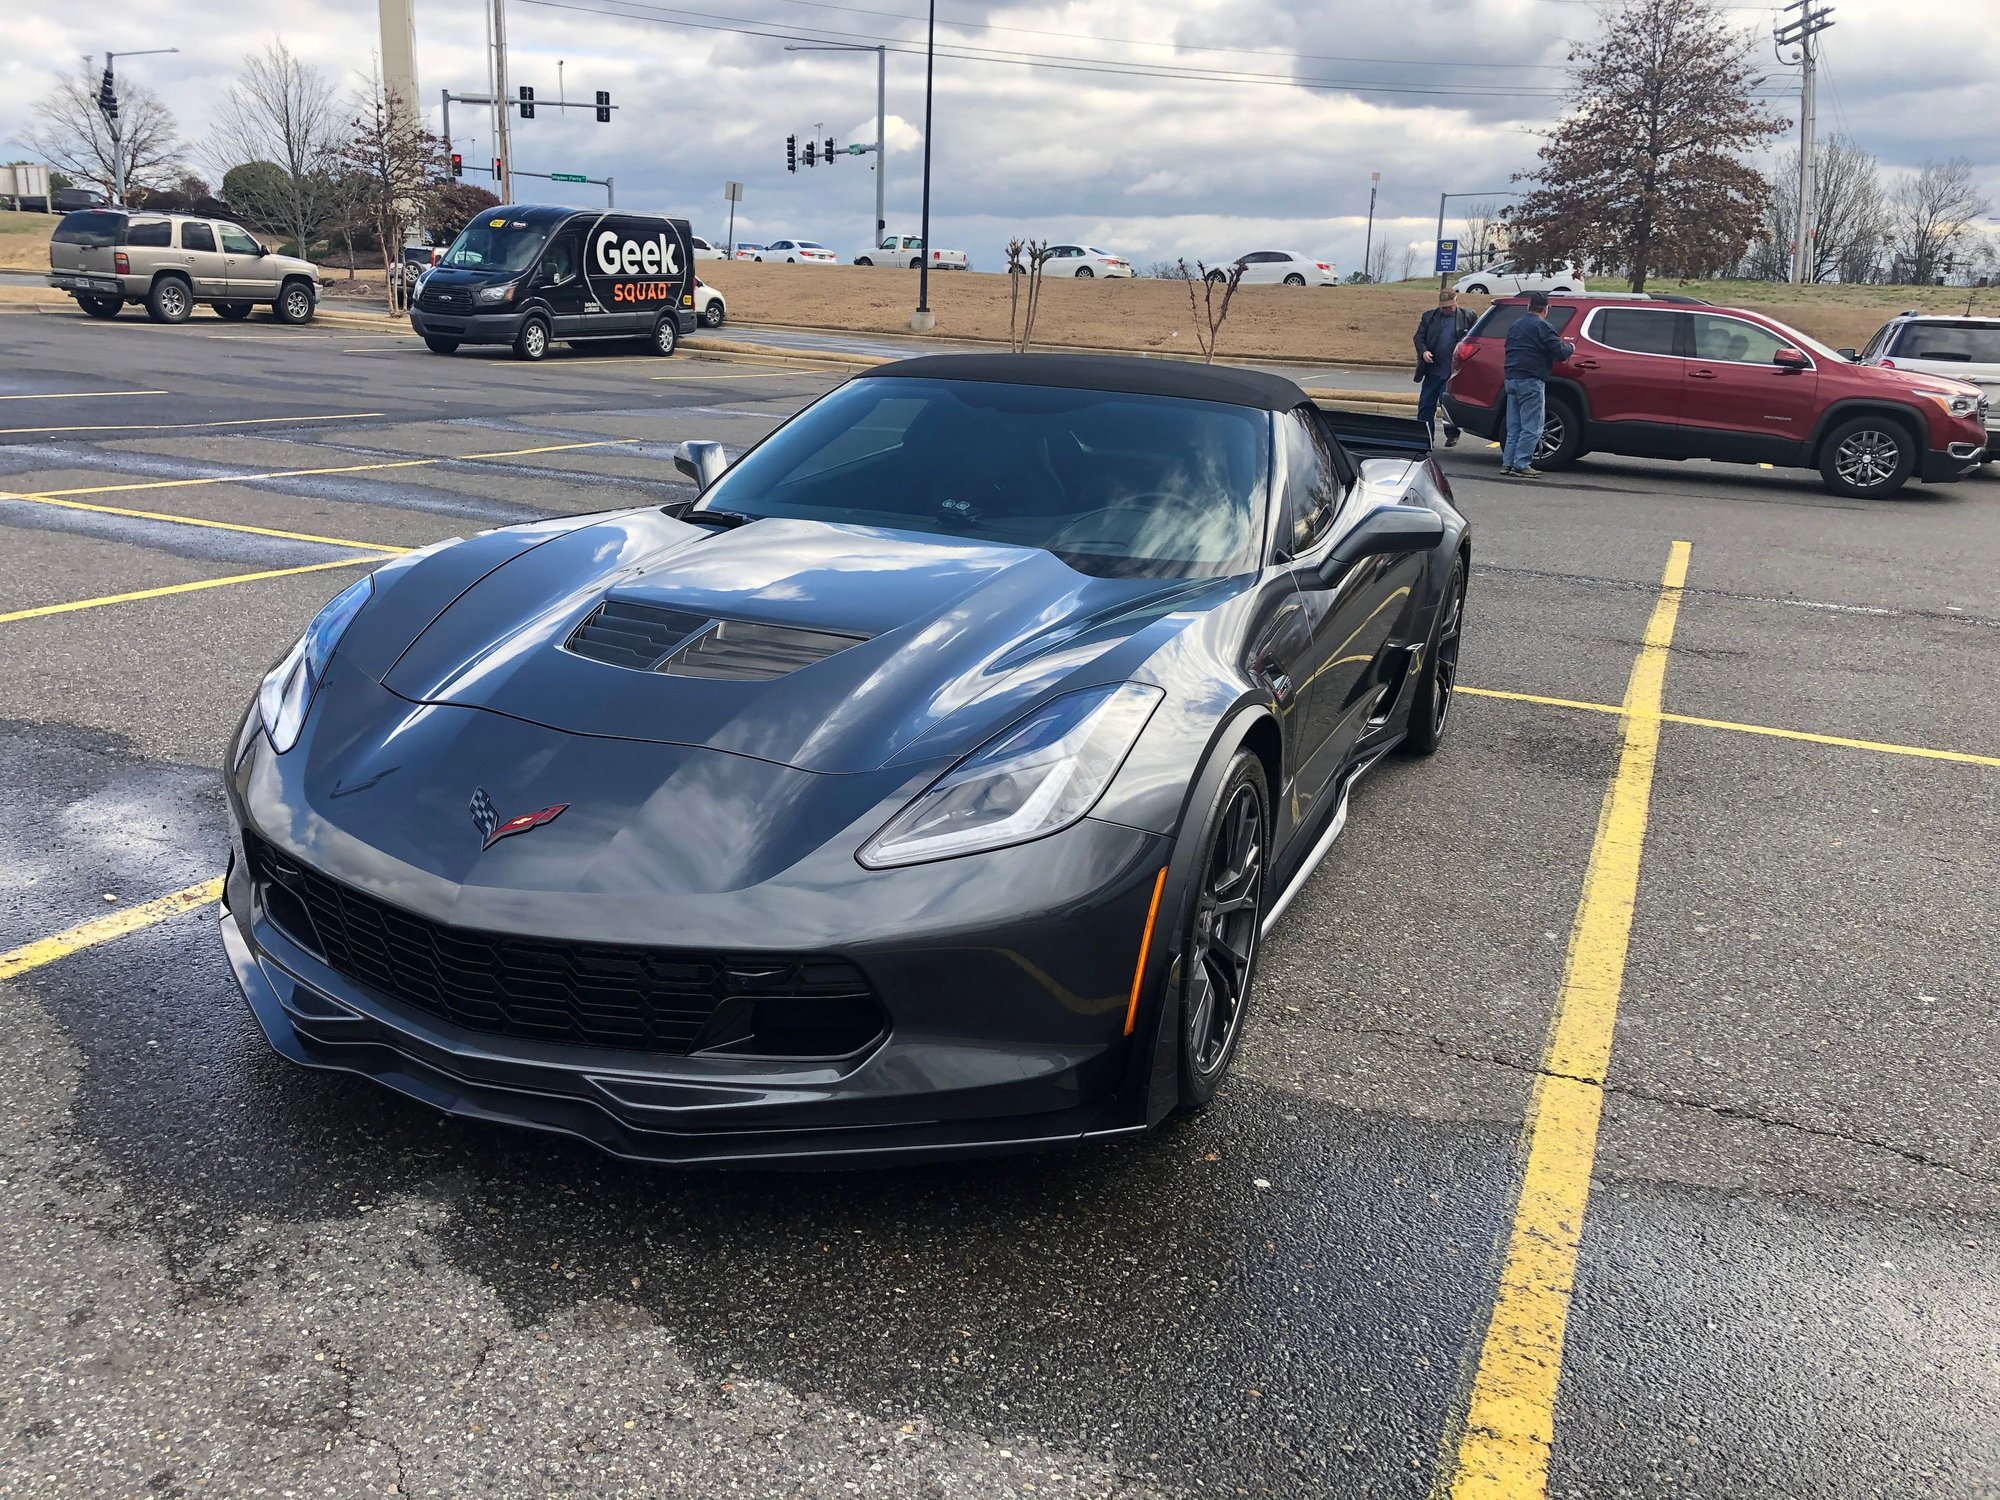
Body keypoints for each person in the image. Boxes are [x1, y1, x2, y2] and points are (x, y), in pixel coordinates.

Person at [1500, 291, 1575, 478]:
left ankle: (1507, 463)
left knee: (1514, 425)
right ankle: (1522, 464)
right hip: (1531, 380)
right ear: (1546, 308)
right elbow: (1559, 352)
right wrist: (1571, 347)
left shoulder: (1516, 325)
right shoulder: (1543, 327)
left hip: (1511, 379)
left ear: (1528, 307)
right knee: (1532, 426)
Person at [1412, 289, 1475, 447]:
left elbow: (1475, 339)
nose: (1447, 309)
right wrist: (1424, 351)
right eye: (1444, 307)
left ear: (1456, 301)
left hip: (1453, 372)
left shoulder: (1468, 316)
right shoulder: (1429, 317)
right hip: (1433, 370)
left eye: (1449, 306)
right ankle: (1424, 439)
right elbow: (1418, 337)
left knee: (1447, 405)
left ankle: (1452, 434)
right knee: (1426, 405)